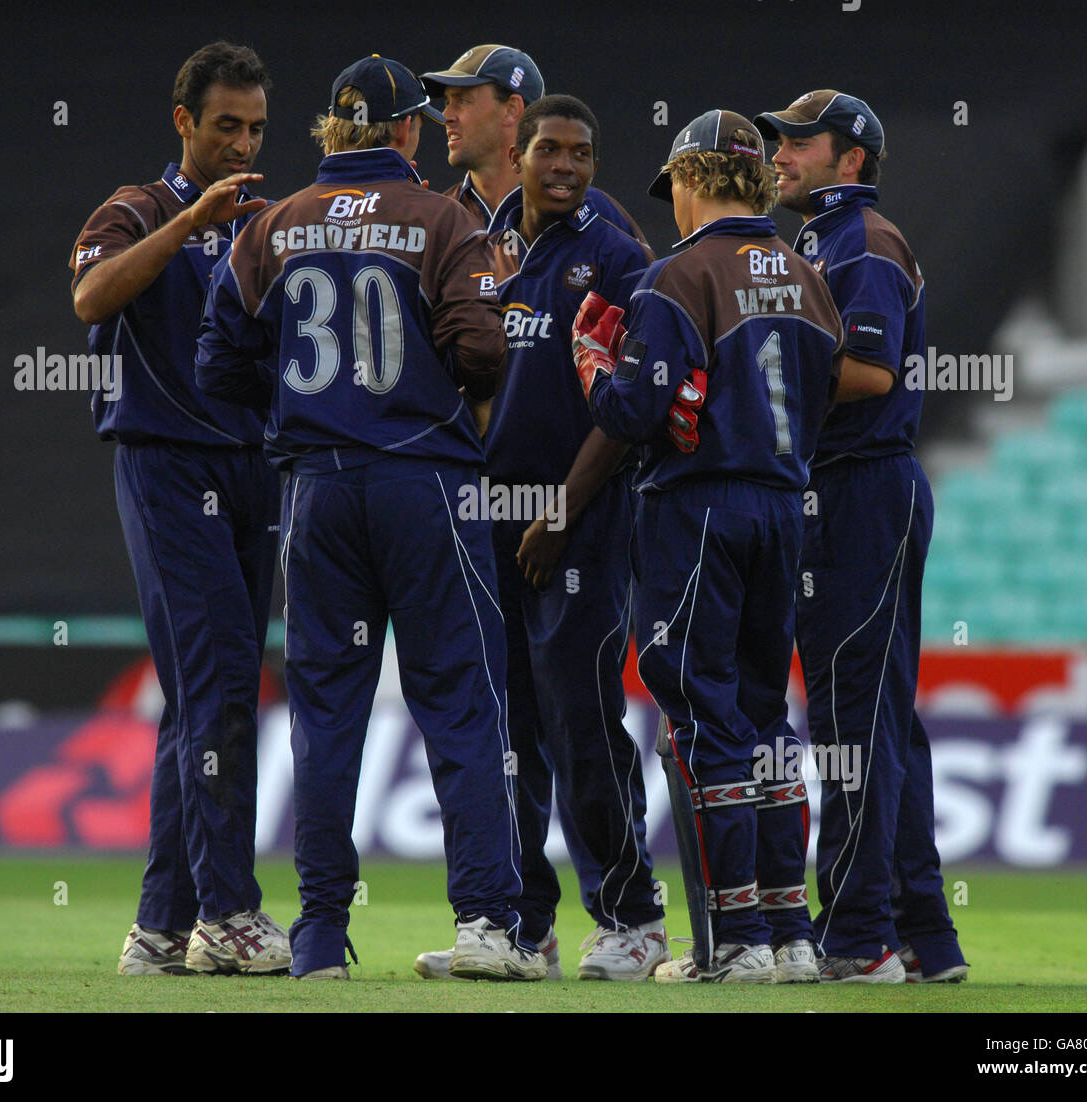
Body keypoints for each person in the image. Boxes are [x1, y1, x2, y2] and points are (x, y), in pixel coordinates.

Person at [195, 54, 545, 982]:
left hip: (314, 494)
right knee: (461, 705)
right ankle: (483, 925)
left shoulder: (272, 226)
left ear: (331, 131)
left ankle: (317, 937)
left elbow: (216, 366)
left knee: (325, 716)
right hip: (422, 485)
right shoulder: (444, 219)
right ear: (407, 132)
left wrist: (303, 410)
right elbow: (483, 352)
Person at [575, 110, 844, 982]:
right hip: (784, 504)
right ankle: (789, 932)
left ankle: (732, 942)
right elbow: (830, 384)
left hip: (699, 512)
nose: (675, 207)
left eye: (676, 189)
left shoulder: (676, 275)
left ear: (694, 179)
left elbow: (633, 413)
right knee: (768, 719)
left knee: (702, 716)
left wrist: (591, 362)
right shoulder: (808, 275)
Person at [413, 95, 668, 982]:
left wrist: (561, 508)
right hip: (493, 520)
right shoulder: (488, 250)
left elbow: (635, 405)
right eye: (551, 151)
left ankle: (632, 918)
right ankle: (523, 927)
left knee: (581, 720)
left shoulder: (614, 252)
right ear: (518, 154)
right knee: (504, 727)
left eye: (582, 154)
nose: (566, 167)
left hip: (582, 521)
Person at [68, 41, 290, 976]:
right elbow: (90, 297)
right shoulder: (138, 208)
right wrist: (189, 222)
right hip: (167, 466)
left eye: (256, 129)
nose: (242, 144)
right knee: (223, 681)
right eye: (226, 126)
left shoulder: (272, 220)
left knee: (205, 694)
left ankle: (160, 929)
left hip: (256, 470)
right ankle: (229, 912)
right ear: (184, 124)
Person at [752, 89, 968, 983]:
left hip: (862, 490)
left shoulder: (861, 243)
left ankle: (856, 936)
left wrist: (749, 359)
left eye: (802, 142)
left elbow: (871, 372)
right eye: (782, 140)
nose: (782, 153)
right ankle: (924, 931)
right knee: (876, 717)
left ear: (853, 158)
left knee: (851, 717)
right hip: (845, 490)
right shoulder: (822, 242)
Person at [420, 45, 651, 256]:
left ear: (511, 109)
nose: (446, 116)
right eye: (447, 103)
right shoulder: (436, 215)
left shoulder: (597, 213)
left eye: (461, 101)